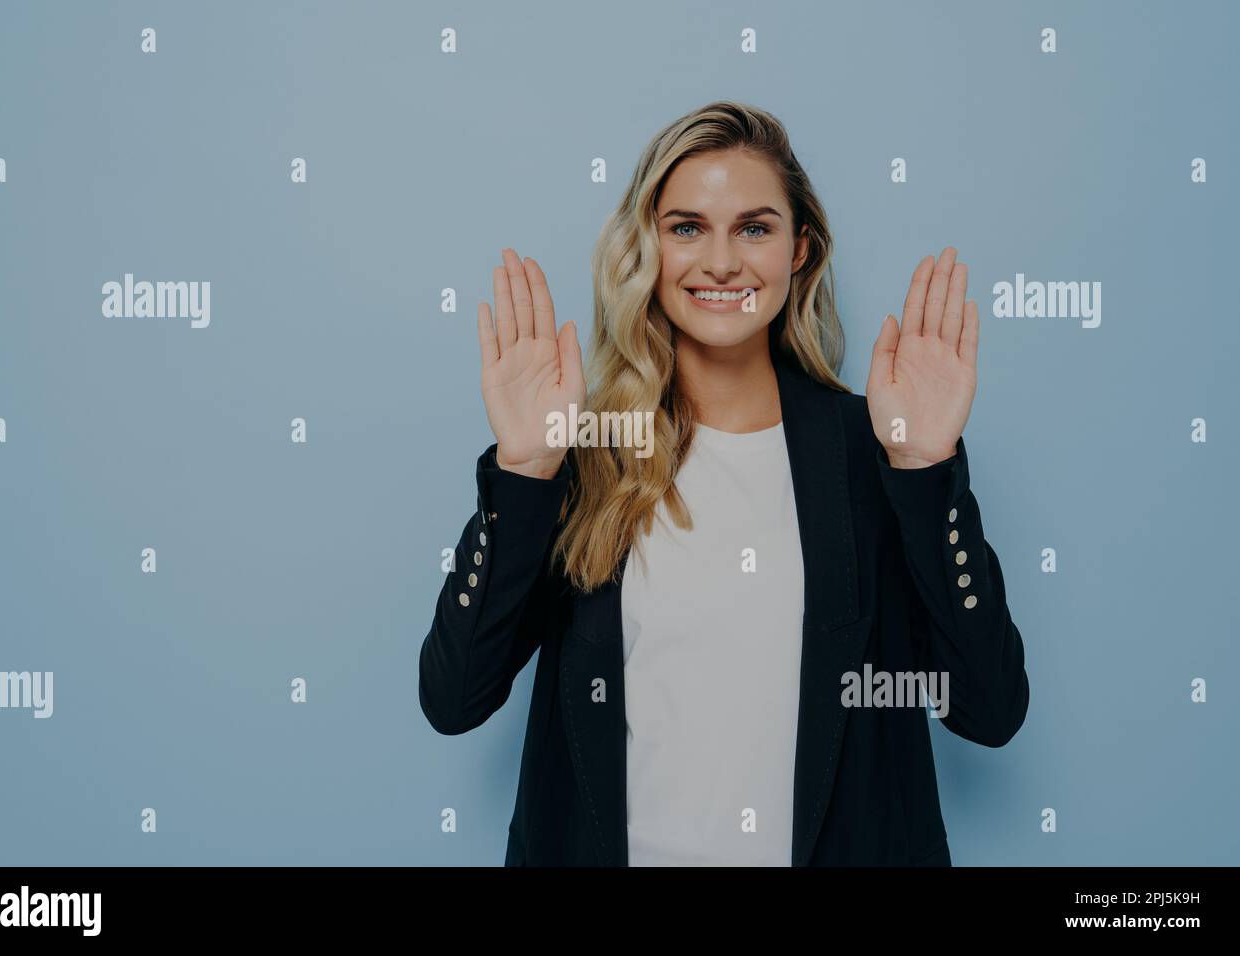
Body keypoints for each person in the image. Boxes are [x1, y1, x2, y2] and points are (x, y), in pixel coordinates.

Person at [418, 101, 1029, 866]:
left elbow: (989, 709)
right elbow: (453, 699)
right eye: (686, 228)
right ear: (648, 248)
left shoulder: (870, 453)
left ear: (800, 250)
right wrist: (524, 469)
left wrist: (926, 467)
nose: (721, 263)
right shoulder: (588, 452)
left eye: (754, 227)